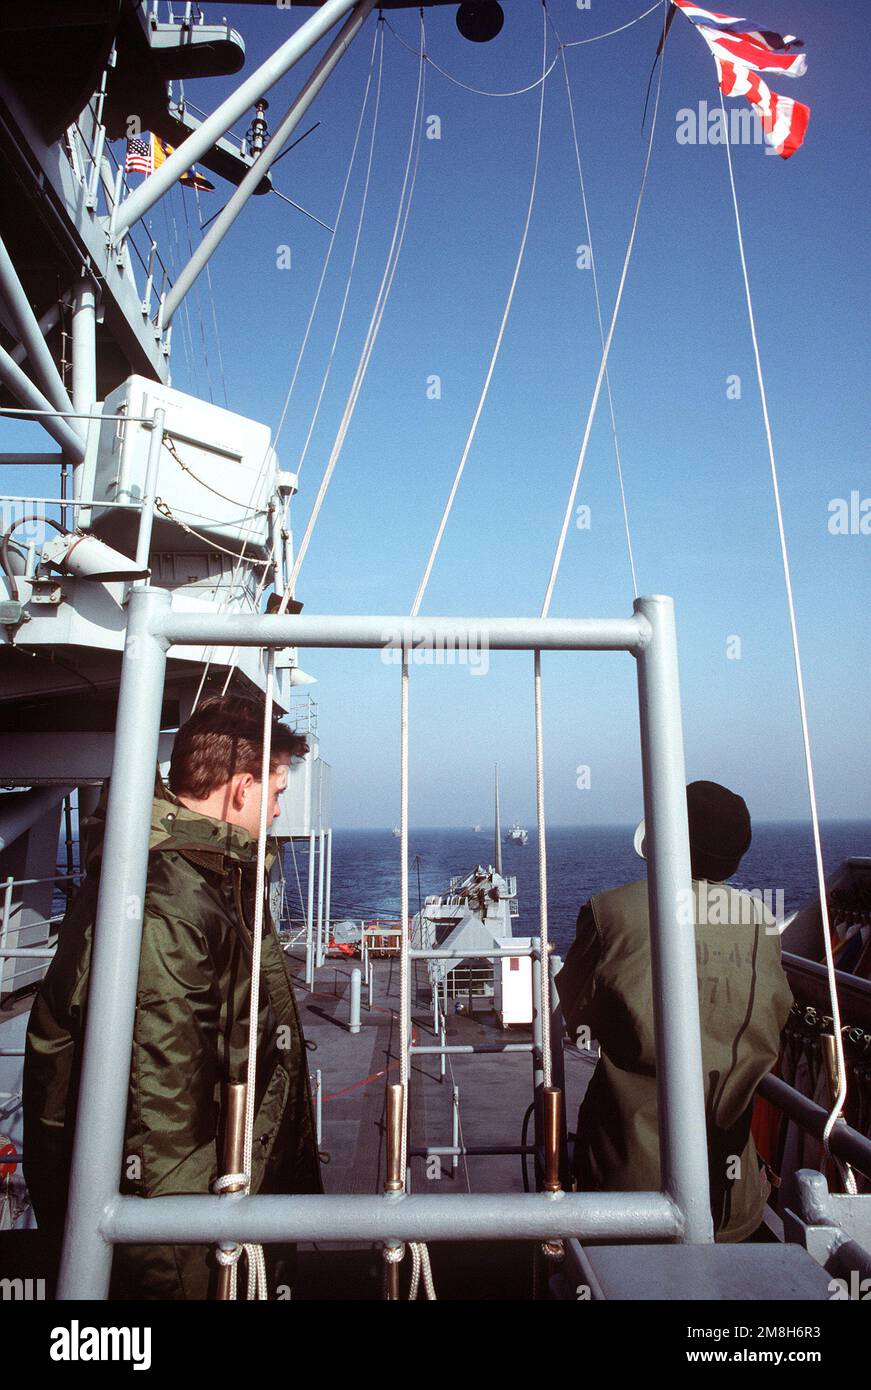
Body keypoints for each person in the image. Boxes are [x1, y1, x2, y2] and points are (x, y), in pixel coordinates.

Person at [23, 694, 322, 1298]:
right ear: (241, 789)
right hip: (185, 1256)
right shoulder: (170, 904)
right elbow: (156, 1128)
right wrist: (186, 1281)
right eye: (277, 792)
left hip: (210, 1228)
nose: (278, 810)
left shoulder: (196, 877)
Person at [555, 780, 793, 1243]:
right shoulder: (759, 922)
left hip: (626, 1184)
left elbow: (577, 1015)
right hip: (732, 1195)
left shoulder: (611, 911)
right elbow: (773, 1020)